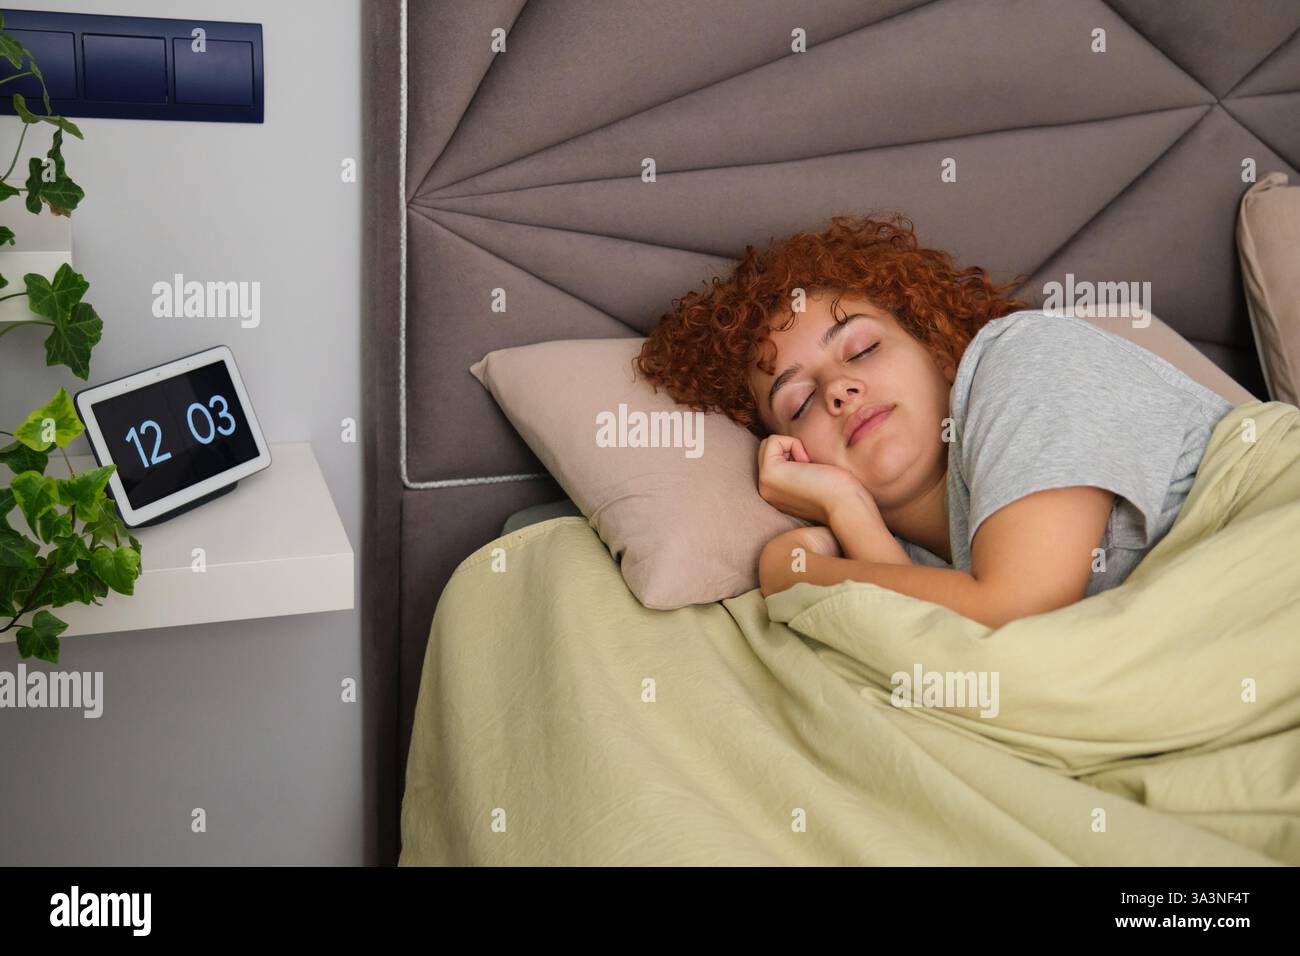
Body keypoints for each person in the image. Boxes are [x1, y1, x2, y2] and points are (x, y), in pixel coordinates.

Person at [633, 213, 1235, 627]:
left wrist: (792, 572)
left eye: (862, 349)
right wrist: (848, 511)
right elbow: (949, 653)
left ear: (941, 352)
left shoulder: (1025, 355)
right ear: (793, 451)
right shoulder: (906, 569)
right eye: (800, 404)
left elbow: (1017, 613)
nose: (838, 390)